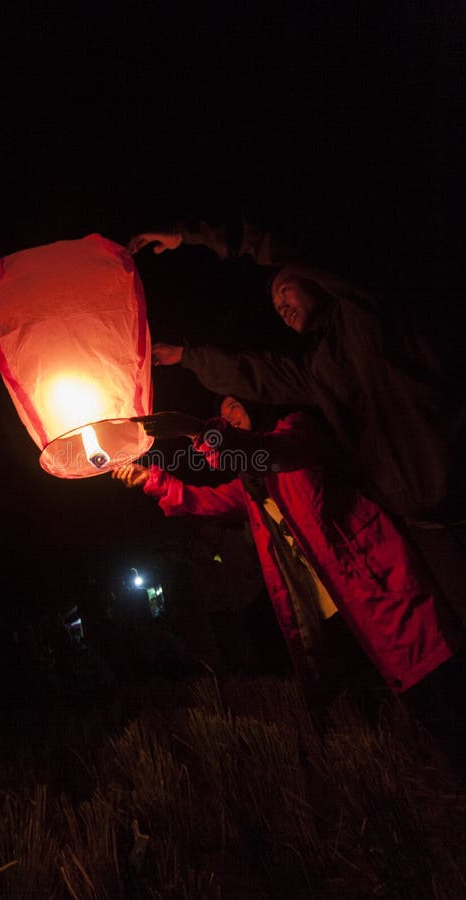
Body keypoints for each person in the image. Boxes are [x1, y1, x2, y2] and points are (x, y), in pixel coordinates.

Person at [127, 224, 466, 624]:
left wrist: (193, 235)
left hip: (445, 507)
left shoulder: (366, 317)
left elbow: (262, 452)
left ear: (317, 281)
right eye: (273, 304)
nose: (280, 306)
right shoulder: (322, 372)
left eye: (286, 290)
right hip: (414, 534)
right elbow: (257, 381)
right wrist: (148, 475)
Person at [114, 399, 466, 770]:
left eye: (233, 406)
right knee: (385, 718)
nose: (227, 415)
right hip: (330, 616)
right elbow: (206, 500)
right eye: (220, 413)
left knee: (439, 695)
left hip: (380, 594)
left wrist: (198, 430)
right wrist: (151, 479)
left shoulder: (297, 433)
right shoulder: (254, 482)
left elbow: (263, 452)